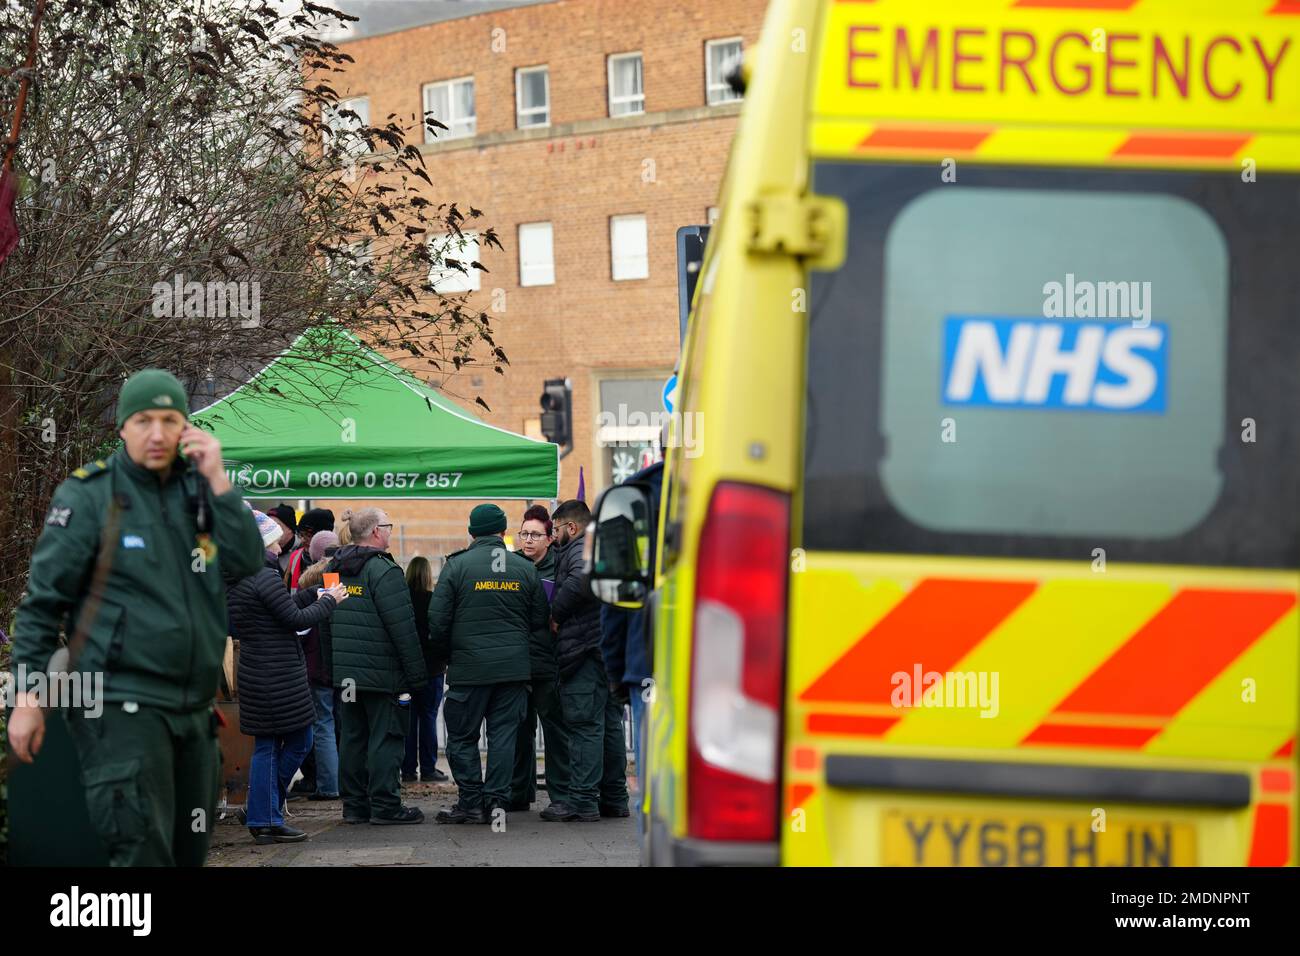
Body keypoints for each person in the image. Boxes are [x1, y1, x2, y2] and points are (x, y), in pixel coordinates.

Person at [6, 368, 265, 866]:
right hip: (123, 709)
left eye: (170, 420)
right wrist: (28, 699)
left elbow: (248, 559)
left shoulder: (199, 492)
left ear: (186, 428)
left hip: (193, 712)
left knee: (189, 853)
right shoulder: (89, 495)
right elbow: (41, 609)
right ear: (123, 427)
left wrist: (218, 480)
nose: (157, 432)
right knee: (141, 855)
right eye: (143, 419)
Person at [226, 512, 350, 843]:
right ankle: (264, 813)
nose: (282, 538)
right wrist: (328, 601)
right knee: (295, 741)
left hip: (258, 670)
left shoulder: (240, 576)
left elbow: (278, 612)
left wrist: (310, 594)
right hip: (277, 673)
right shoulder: (263, 575)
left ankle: (262, 812)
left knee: (271, 744)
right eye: (275, 534)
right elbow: (294, 620)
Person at [429, 504, 548, 824]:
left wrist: (448, 657)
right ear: (504, 532)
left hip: (469, 672)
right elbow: (539, 621)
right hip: (512, 672)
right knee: (503, 738)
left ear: (471, 532)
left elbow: (437, 623)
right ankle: (496, 802)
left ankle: (470, 801)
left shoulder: (455, 567)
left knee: (462, 736)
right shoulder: (525, 569)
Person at [328, 507, 428, 825]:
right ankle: (386, 806)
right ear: (375, 532)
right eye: (387, 526)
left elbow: (324, 617)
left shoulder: (334, 568)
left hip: (346, 676)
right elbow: (403, 628)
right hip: (383, 675)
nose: (389, 531)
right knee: (386, 737)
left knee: (353, 738)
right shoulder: (385, 571)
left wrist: (335, 667)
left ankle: (355, 806)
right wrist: (416, 676)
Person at [547, 499, 629, 822]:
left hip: (583, 652)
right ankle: (614, 798)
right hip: (603, 650)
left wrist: (555, 612)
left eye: (555, 530)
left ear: (572, 527)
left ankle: (582, 802)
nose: (553, 537)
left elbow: (581, 578)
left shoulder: (583, 549)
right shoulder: (600, 546)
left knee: (585, 726)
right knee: (609, 727)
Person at [599, 458, 663, 832]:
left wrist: (616, 669)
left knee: (653, 776)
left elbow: (615, 596)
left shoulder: (632, 496)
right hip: (726, 662)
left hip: (647, 660)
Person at [509, 504, 571, 813]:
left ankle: (561, 794)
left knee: (556, 730)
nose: (529, 540)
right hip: (519, 663)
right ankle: (520, 792)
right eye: (524, 534)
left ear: (549, 538)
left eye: (535, 534)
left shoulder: (560, 568)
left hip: (550, 662)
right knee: (521, 730)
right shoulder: (510, 566)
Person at [296, 529, 343, 801]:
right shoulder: (345, 579)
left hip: (316, 665)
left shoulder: (310, 581)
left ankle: (328, 785)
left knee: (323, 725)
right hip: (341, 664)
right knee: (342, 724)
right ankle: (346, 782)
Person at [401, 556, 448, 783]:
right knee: (428, 718)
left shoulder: (402, 602)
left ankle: (408, 769)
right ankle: (429, 768)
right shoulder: (434, 600)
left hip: (407, 670)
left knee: (408, 720)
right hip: (432, 669)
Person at [284, 507, 333, 590]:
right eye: (301, 535)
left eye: (308, 535)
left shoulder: (334, 561)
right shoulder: (295, 557)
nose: (303, 540)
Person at [267, 503, 298, 576]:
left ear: (290, 529)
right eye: (268, 526)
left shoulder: (303, 553)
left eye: (276, 525)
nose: (271, 530)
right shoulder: (262, 551)